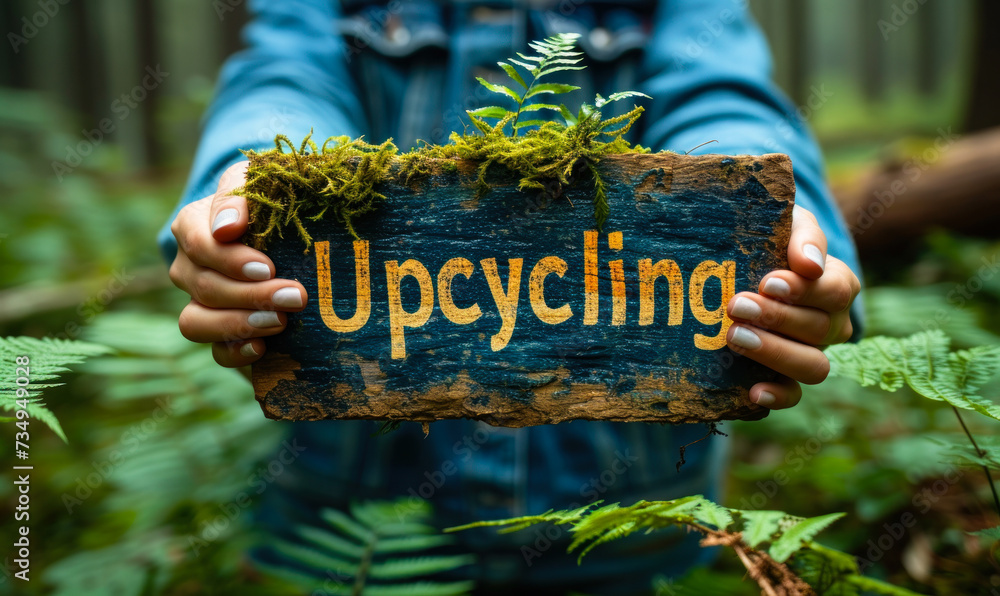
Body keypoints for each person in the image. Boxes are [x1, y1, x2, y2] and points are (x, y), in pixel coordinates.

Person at [160, 0, 861, 592]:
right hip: (347, 528)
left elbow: (720, 93)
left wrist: (769, 227)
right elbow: (285, 76)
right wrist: (249, 185)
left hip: (628, 526)